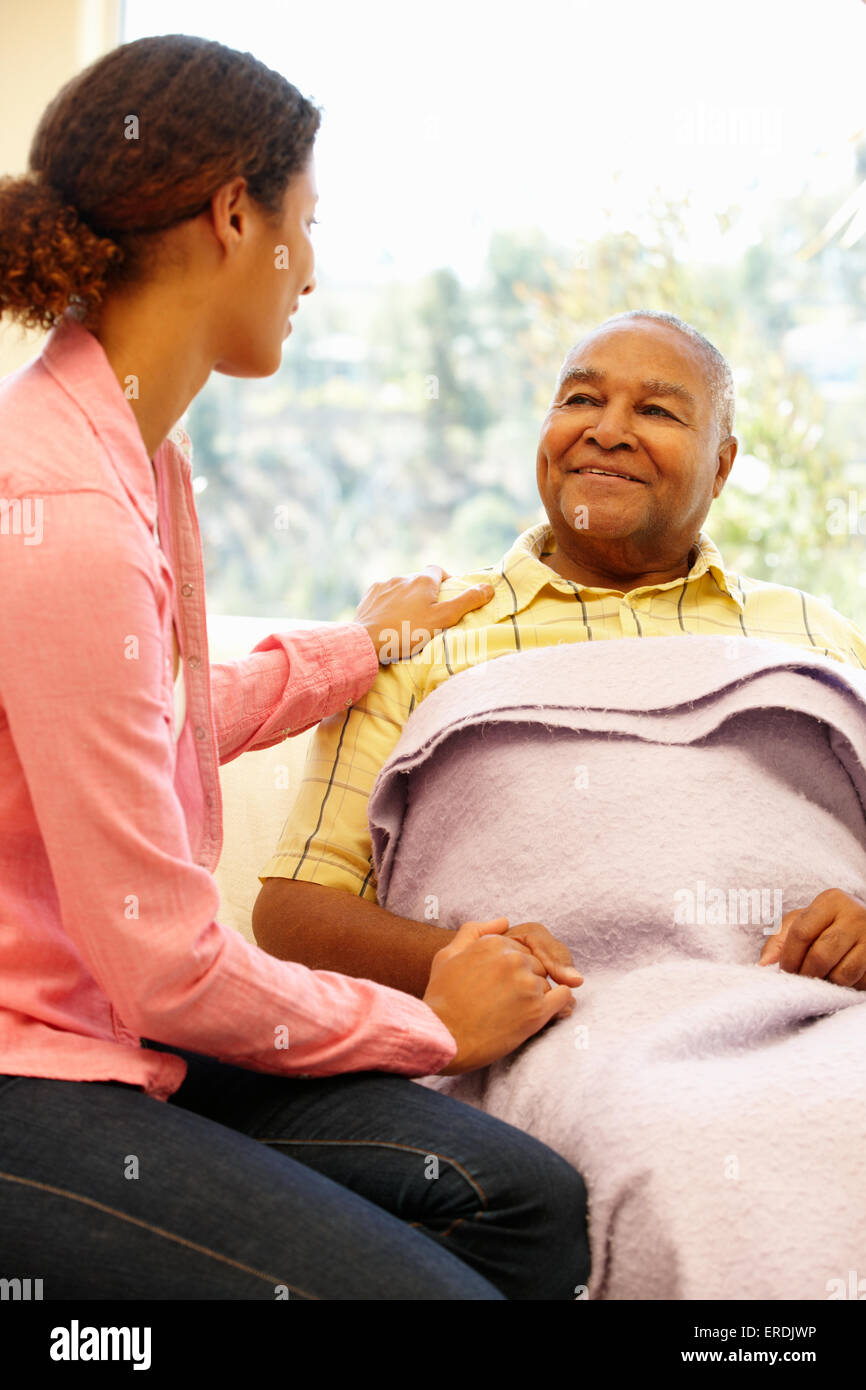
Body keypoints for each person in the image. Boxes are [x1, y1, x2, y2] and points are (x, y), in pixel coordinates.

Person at [0, 33, 591, 1300]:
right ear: (232, 216)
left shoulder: (129, 450)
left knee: (521, 1201)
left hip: (105, 1023)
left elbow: (137, 721)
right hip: (29, 1061)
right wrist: (435, 1021)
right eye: (304, 224)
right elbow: (164, 960)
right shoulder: (65, 510)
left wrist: (360, 645)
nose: (311, 272)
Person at [253, 309, 866, 993]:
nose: (606, 432)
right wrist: (463, 961)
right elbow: (294, 914)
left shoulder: (821, 638)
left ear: (721, 466)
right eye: (581, 400)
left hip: (815, 1028)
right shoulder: (422, 637)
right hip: (531, 1041)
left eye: (657, 410)